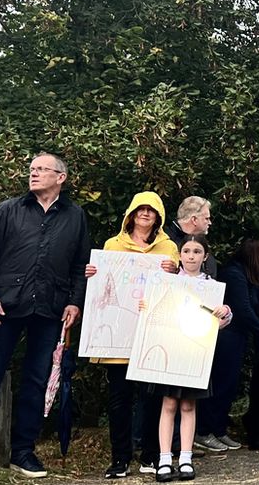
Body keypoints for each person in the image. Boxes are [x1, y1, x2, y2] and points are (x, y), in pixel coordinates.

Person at [0, 153, 90, 479]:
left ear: (61, 177)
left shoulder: (75, 216)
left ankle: (23, 453)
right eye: (32, 169)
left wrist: (75, 302)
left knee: (36, 380)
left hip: (50, 308)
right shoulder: (9, 209)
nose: (34, 174)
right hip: (5, 307)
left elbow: (79, 265)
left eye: (42, 169)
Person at [87, 191, 179, 479]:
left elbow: (178, 287)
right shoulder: (112, 245)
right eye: (140, 208)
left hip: (153, 335)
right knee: (119, 399)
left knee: (151, 398)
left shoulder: (169, 248)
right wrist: (93, 273)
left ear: (159, 217)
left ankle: (151, 455)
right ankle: (120, 458)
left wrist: (173, 271)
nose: (145, 213)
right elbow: (103, 285)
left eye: (152, 210)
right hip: (118, 337)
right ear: (130, 213)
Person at [151, 235, 231, 482]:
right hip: (171, 351)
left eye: (197, 251)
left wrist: (225, 312)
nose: (191, 256)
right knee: (169, 404)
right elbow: (155, 310)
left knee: (188, 405)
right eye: (186, 251)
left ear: (205, 256)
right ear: (180, 255)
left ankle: (185, 457)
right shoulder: (169, 282)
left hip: (196, 354)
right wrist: (147, 305)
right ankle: (164, 459)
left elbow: (224, 320)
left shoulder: (212, 285)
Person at [195, 239, 259, 452]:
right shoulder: (234, 274)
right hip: (227, 336)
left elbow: (253, 302)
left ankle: (218, 430)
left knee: (229, 385)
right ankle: (204, 431)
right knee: (220, 384)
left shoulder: (246, 275)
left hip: (239, 335)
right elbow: (243, 309)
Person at [163, 196, 217, 277]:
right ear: (194, 220)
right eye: (207, 218)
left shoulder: (202, 242)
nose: (210, 223)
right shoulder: (164, 241)